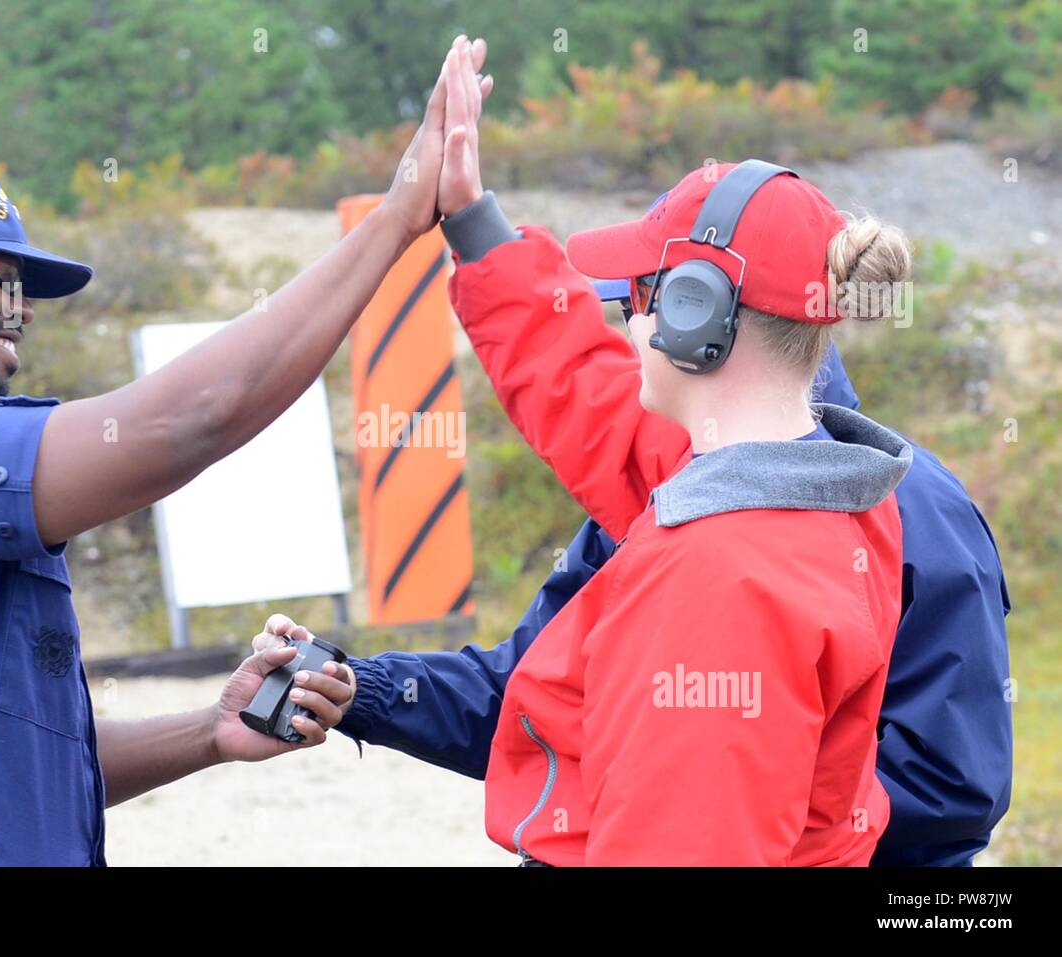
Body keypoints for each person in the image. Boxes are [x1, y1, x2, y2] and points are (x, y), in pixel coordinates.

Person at [0, 38, 494, 866]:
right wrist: (398, 219)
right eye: (0, 275)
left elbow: (21, 764)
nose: (23, 308)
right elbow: (193, 420)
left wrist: (211, 729)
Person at [289, 44, 918, 865]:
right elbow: (591, 399)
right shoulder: (818, 486)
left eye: (644, 295)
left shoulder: (723, 580)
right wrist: (475, 222)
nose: (628, 319)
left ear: (700, 320)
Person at [332, 341, 1012, 866]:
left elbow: (952, 786)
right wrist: (364, 689)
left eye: (647, 310)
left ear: (712, 339)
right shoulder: (667, 493)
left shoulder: (926, 513)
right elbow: (529, 692)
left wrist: (753, 798)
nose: (635, 338)